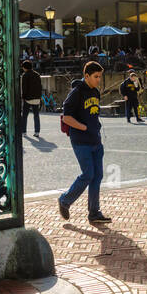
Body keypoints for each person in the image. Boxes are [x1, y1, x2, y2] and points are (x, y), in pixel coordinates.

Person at [57, 61, 111, 226]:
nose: (98, 80)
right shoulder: (76, 92)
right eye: (96, 76)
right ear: (86, 76)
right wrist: (84, 127)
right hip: (81, 141)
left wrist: (95, 129)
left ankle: (94, 213)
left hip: (95, 140)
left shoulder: (95, 92)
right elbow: (66, 117)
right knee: (88, 174)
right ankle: (65, 200)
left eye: (100, 76)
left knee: (97, 176)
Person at [19, 60, 43, 137]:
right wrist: (39, 97)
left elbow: (24, 88)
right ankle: (37, 131)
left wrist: (23, 97)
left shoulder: (25, 75)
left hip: (28, 99)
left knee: (24, 116)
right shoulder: (37, 75)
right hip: (36, 98)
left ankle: (23, 132)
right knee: (36, 115)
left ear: (25, 67)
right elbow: (40, 87)